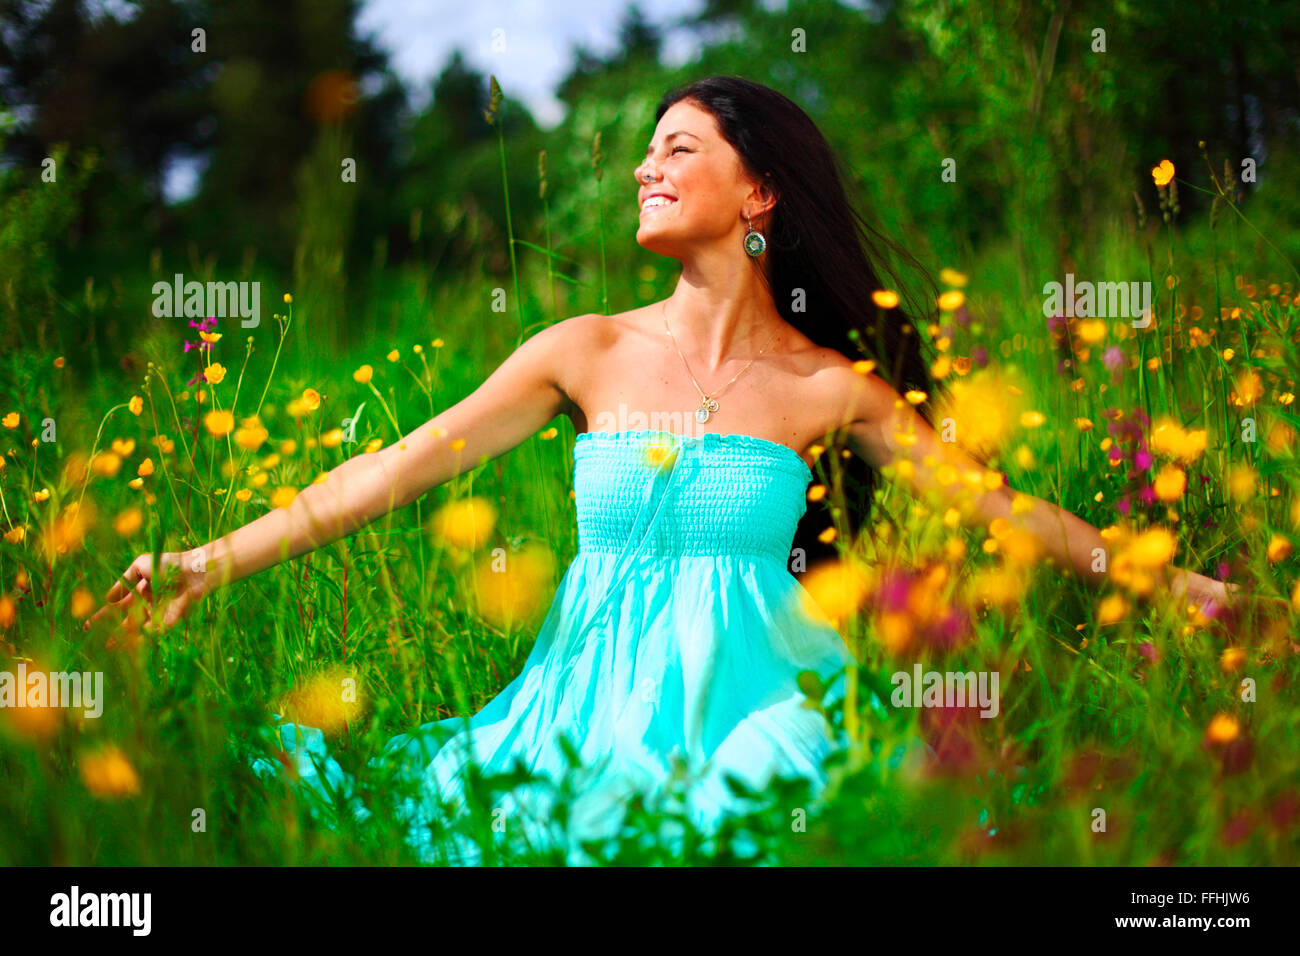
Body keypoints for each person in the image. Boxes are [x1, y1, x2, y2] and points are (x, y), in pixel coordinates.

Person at [89, 76, 1230, 864]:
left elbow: (1001, 507)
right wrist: (205, 557)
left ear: (760, 192)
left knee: (784, 825)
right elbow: (390, 469)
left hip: (762, 707)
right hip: (581, 705)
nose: (646, 167)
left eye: (677, 148)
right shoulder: (581, 347)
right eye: (646, 150)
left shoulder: (831, 386)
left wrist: (1181, 587)